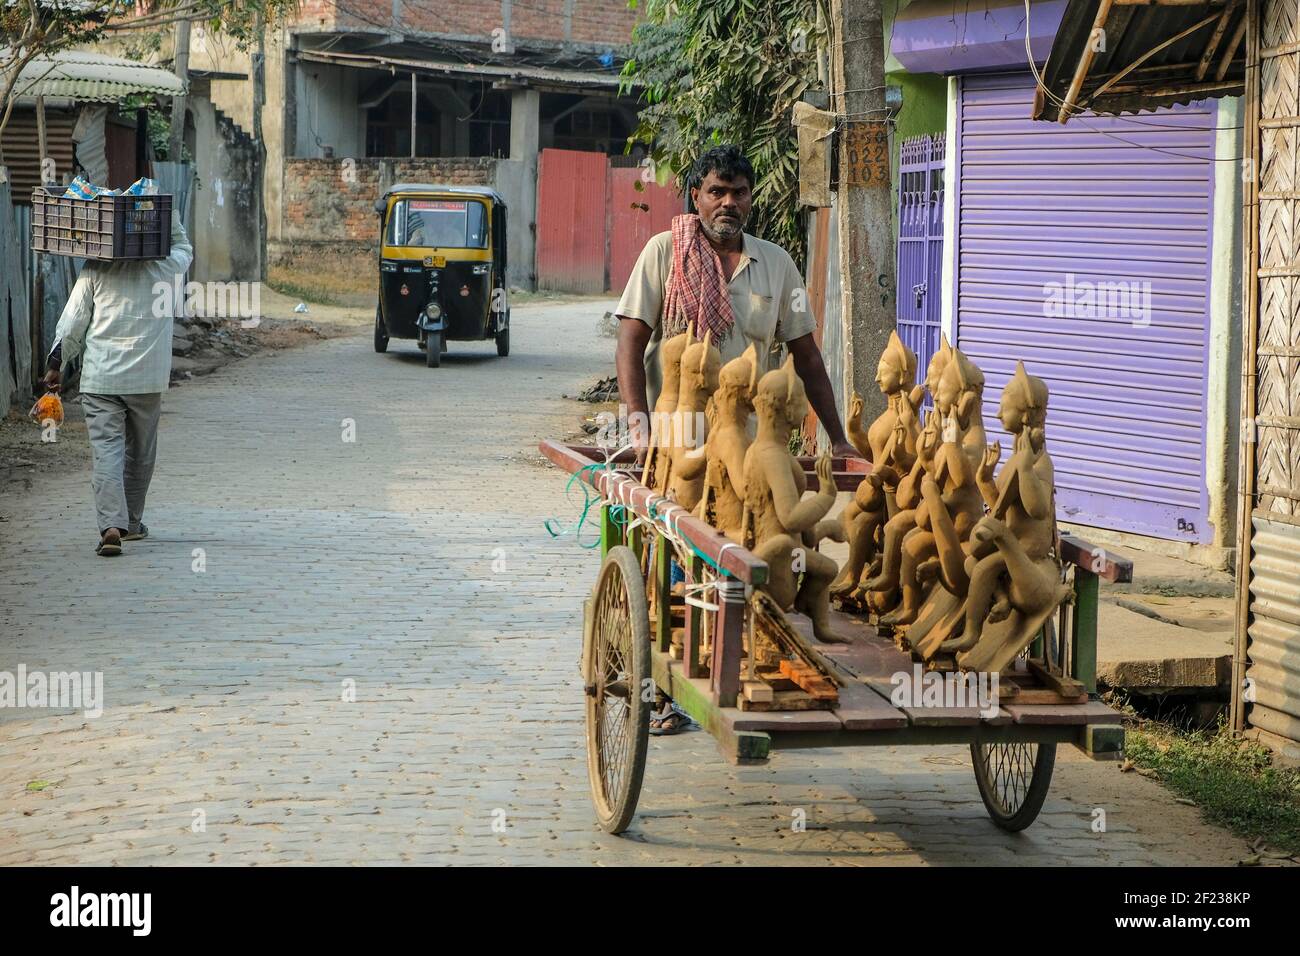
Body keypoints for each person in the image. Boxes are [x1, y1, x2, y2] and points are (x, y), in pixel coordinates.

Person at [614, 145, 860, 732]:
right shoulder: (664, 254)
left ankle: (747, 653)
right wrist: (637, 420)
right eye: (717, 191)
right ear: (696, 194)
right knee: (681, 544)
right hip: (679, 433)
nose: (728, 202)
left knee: (747, 541)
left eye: (739, 192)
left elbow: (805, 353)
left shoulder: (777, 265)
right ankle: (668, 683)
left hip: (750, 438)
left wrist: (840, 439)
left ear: (751, 199)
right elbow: (630, 338)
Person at [42, 211, 194, 557]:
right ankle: (134, 524)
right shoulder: (165, 268)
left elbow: (72, 323)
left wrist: (56, 364)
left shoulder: (96, 268)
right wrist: (164, 211)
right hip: (147, 380)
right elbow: (183, 245)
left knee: (107, 452)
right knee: (140, 452)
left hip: (100, 379)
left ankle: (111, 525)